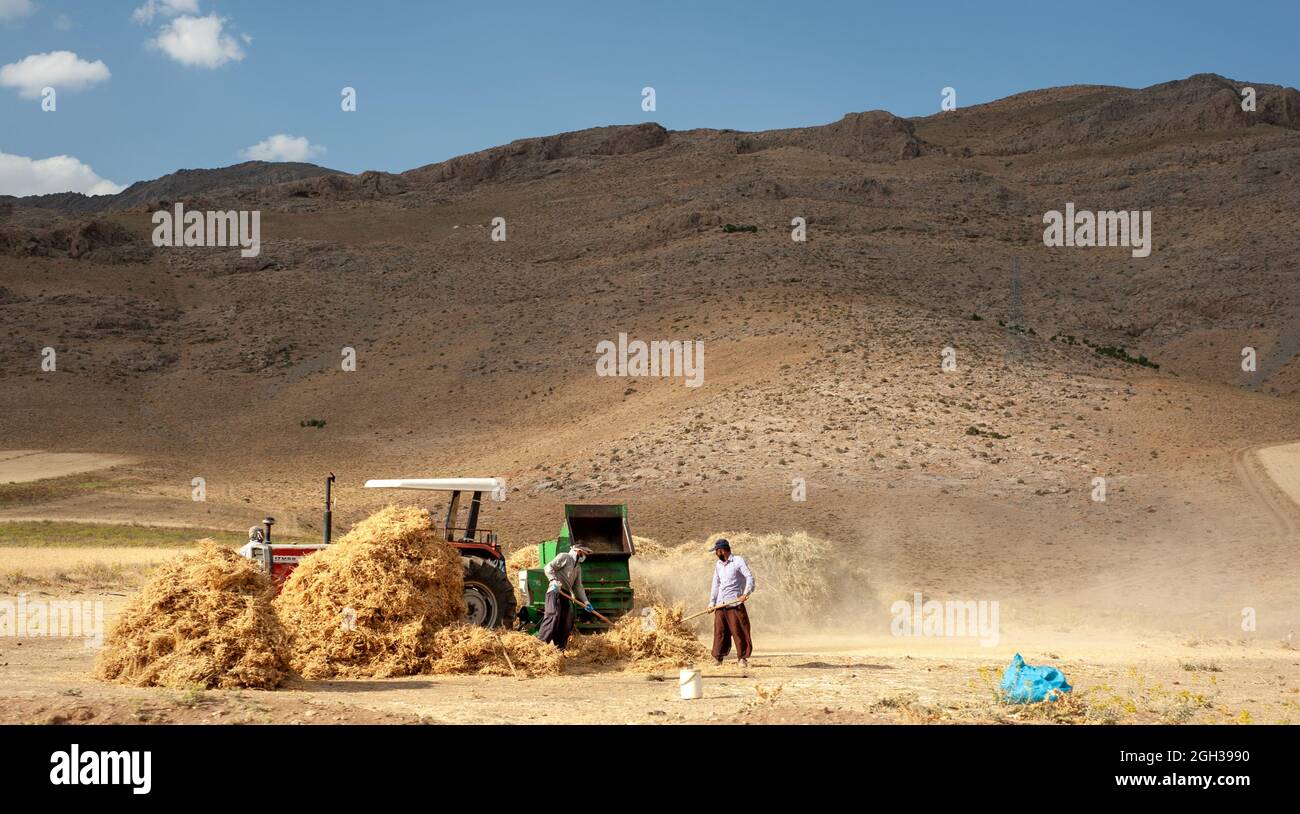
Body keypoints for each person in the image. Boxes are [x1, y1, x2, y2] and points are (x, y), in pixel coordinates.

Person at [538, 543, 594, 650]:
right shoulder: (564, 557)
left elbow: (578, 586)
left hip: (566, 594)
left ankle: (560, 650)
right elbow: (548, 567)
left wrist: (586, 602)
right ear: (578, 551)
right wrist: (553, 580)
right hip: (555, 591)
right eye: (584, 553)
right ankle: (540, 646)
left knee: (566, 622)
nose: (585, 556)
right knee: (553, 616)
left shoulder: (577, 568)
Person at [708, 538, 754, 668]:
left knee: (738, 631)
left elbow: (749, 577)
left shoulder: (738, 561)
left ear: (722, 550)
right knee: (720, 632)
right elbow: (716, 584)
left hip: (734, 603)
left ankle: (742, 658)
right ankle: (718, 657)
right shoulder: (718, 565)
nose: (715, 554)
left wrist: (746, 593)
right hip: (720, 603)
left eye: (716, 551)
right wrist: (712, 602)